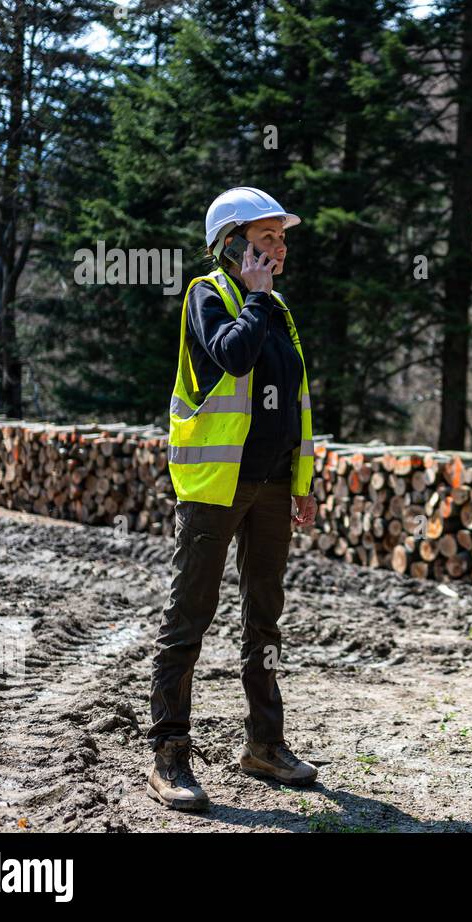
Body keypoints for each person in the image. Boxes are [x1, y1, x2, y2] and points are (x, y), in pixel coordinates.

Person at [146, 186, 320, 812]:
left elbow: (294, 403)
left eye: (281, 237)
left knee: (264, 619)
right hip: (214, 488)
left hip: (273, 486)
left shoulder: (276, 308)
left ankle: (265, 746)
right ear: (232, 245)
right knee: (188, 617)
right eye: (269, 237)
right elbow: (233, 359)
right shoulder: (209, 297)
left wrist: (300, 483)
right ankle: (169, 755)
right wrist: (253, 297)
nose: (280, 246)